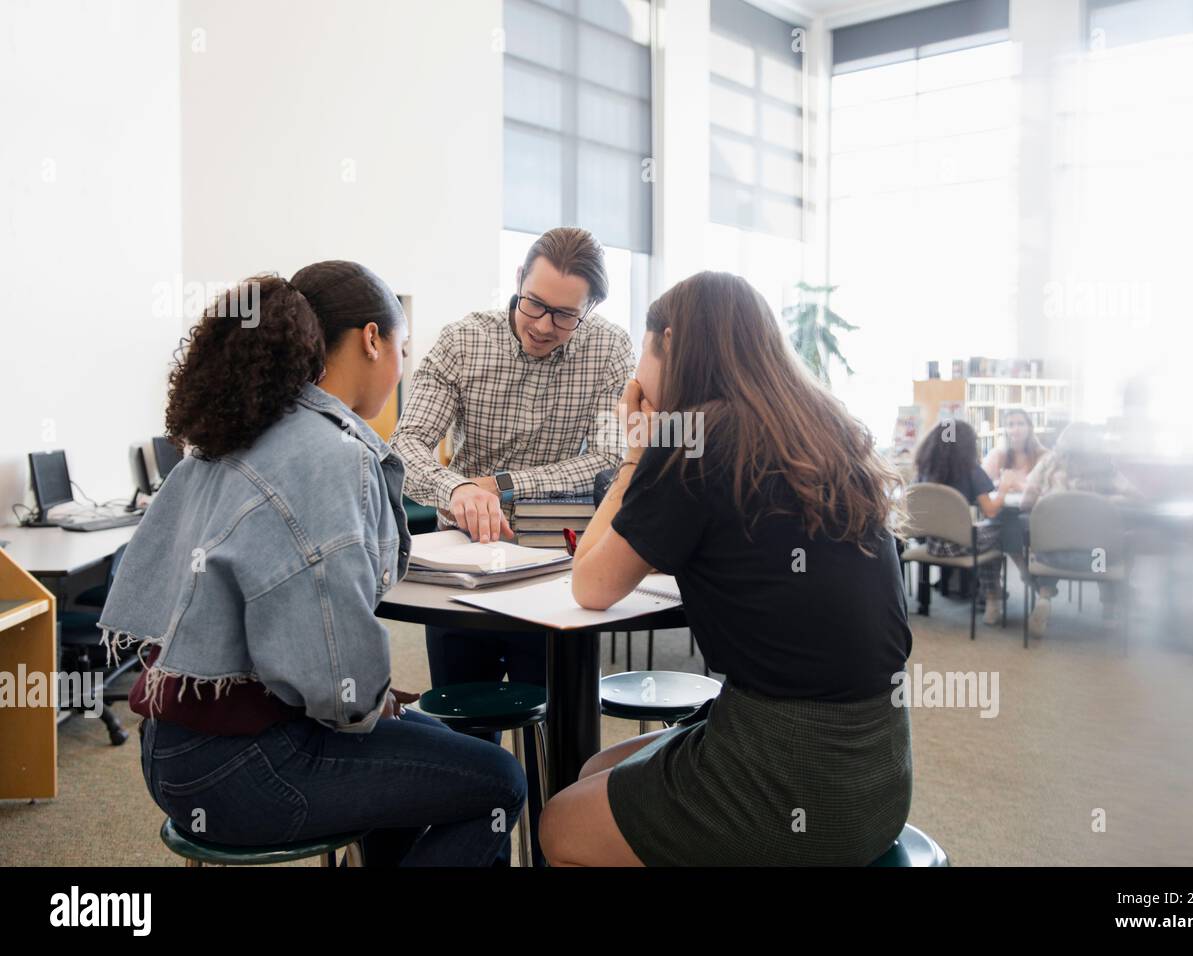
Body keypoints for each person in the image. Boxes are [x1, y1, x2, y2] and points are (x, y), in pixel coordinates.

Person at [99, 262, 525, 866]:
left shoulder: (230, 433)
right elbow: (337, 687)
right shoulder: (331, 453)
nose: (401, 364)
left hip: (170, 747)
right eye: (403, 347)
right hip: (244, 770)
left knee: (427, 748)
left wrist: (378, 705)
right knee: (498, 780)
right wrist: (371, 700)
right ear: (372, 340)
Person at [536, 271, 913, 866]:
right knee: (598, 767)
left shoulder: (693, 437)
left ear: (670, 342)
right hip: (881, 773)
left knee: (559, 825)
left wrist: (636, 452)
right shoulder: (827, 431)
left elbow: (591, 585)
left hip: (786, 773)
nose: (637, 371)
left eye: (644, 349)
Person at [390, 227, 635, 862]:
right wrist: (456, 489)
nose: (544, 324)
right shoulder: (464, 338)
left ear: (591, 310)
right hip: (465, 556)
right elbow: (408, 445)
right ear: (518, 283)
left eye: (565, 314)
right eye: (533, 303)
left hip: (558, 562)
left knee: (560, 732)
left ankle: (562, 852)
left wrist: (500, 483)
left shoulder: (608, 350)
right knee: (468, 740)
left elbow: (610, 454)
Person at [1021, 422, 1138, 638]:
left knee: (1050, 539)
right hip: (1096, 562)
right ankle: (1109, 610)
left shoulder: (1048, 463)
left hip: (1049, 558)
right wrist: (1108, 500)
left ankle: (1045, 597)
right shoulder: (1105, 468)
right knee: (1111, 545)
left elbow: (1025, 504)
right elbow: (1135, 495)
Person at [913, 418, 1016, 623]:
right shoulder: (972, 471)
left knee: (981, 534)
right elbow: (991, 511)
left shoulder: (925, 471)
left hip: (932, 544)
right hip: (960, 546)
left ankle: (983, 595)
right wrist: (1004, 489)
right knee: (999, 533)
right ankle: (991, 598)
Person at [982, 406, 1045, 493]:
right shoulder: (996, 454)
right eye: (1010, 425)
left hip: (1033, 505)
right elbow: (982, 484)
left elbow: (1044, 490)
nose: (1016, 429)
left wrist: (1015, 485)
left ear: (1029, 427)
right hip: (1002, 505)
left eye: (1021, 424)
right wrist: (998, 484)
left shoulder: (1043, 455)